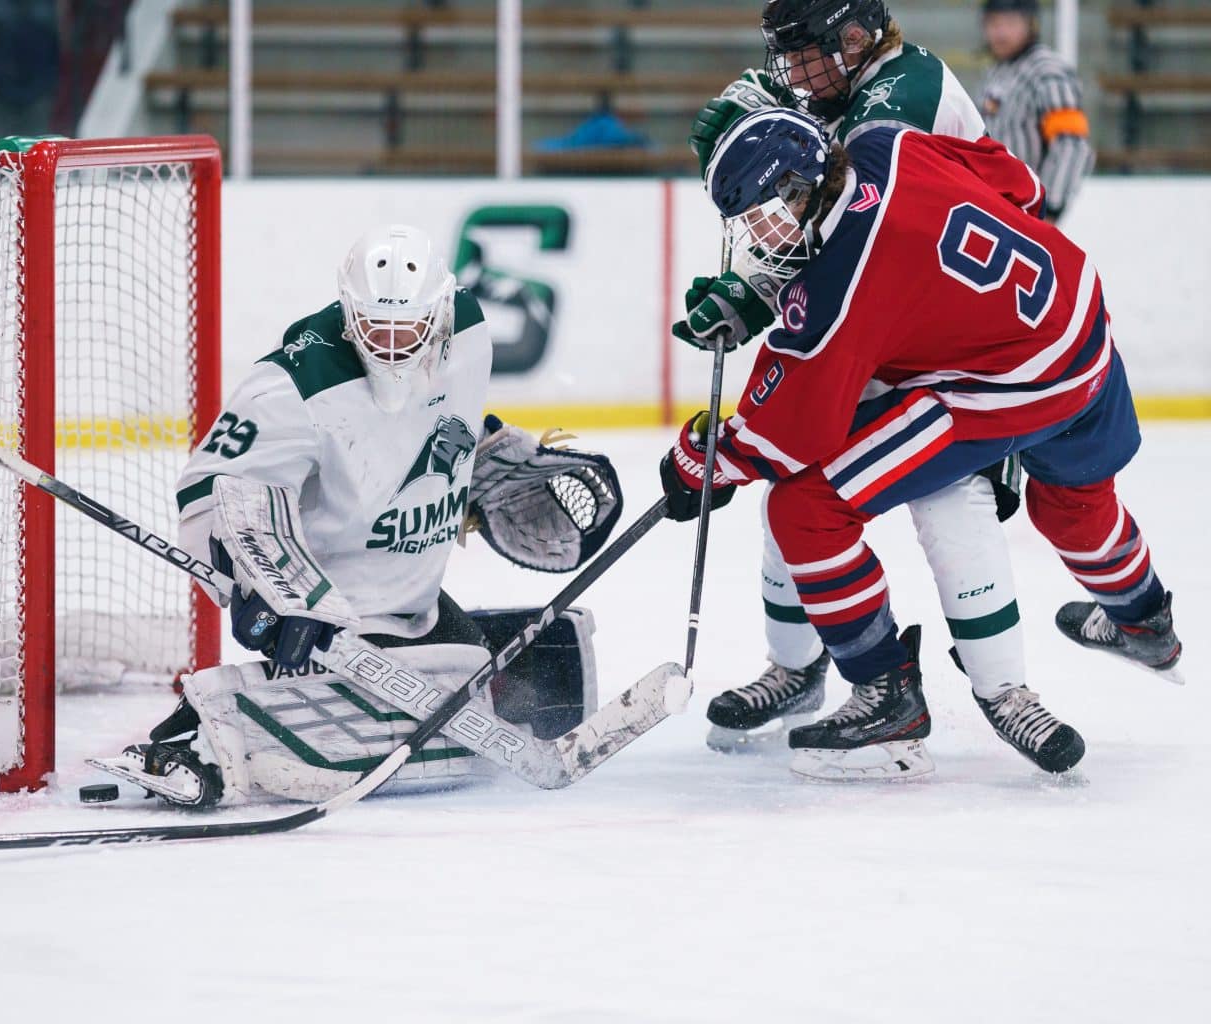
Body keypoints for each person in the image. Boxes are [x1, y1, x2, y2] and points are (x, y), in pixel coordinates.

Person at [661, 109, 1181, 779]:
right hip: (1078, 324)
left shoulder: (843, 275)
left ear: (798, 185)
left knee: (807, 509)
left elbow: (787, 432)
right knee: (1074, 506)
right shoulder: (886, 140)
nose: (755, 235)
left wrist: (697, 463)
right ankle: (1146, 624)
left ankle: (886, 697)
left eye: (761, 213)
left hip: (1008, 384)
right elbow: (1017, 184)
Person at [90, 225, 622, 808]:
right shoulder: (292, 385)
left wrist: (479, 458)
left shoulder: (470, 334)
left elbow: (420, 426)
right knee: (405, 715)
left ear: (441, 309)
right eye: (374, 325)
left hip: (420, 606)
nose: (393, 344)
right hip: (335, 628)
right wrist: (271, 586)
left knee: (529, 687)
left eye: (409, 326)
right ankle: (198, 733)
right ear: (347, 311)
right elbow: (208, 494)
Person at [681, 0, 1028, 755]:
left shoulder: (898, 100)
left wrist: (756, 292)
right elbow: (817, 227)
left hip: (952, 343)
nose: (794, 74)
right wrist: (750, 290)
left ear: (857, 37)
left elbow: (845, 230)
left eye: (806, 55)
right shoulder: (836, 100)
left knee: (949, 498)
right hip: (887, 324)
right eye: (786, 60)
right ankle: (795, 667)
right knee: (796, 487)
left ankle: (1006, 688)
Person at [978, 0, 1094, 222]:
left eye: (1010, 23)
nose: (1000, 33)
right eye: (994, 23)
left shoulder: (1048, 71)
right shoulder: (996, 72)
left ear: (1030, 24)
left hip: (1028, 212)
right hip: (997, 211)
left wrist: (1048, 211)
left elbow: (1071, 145)